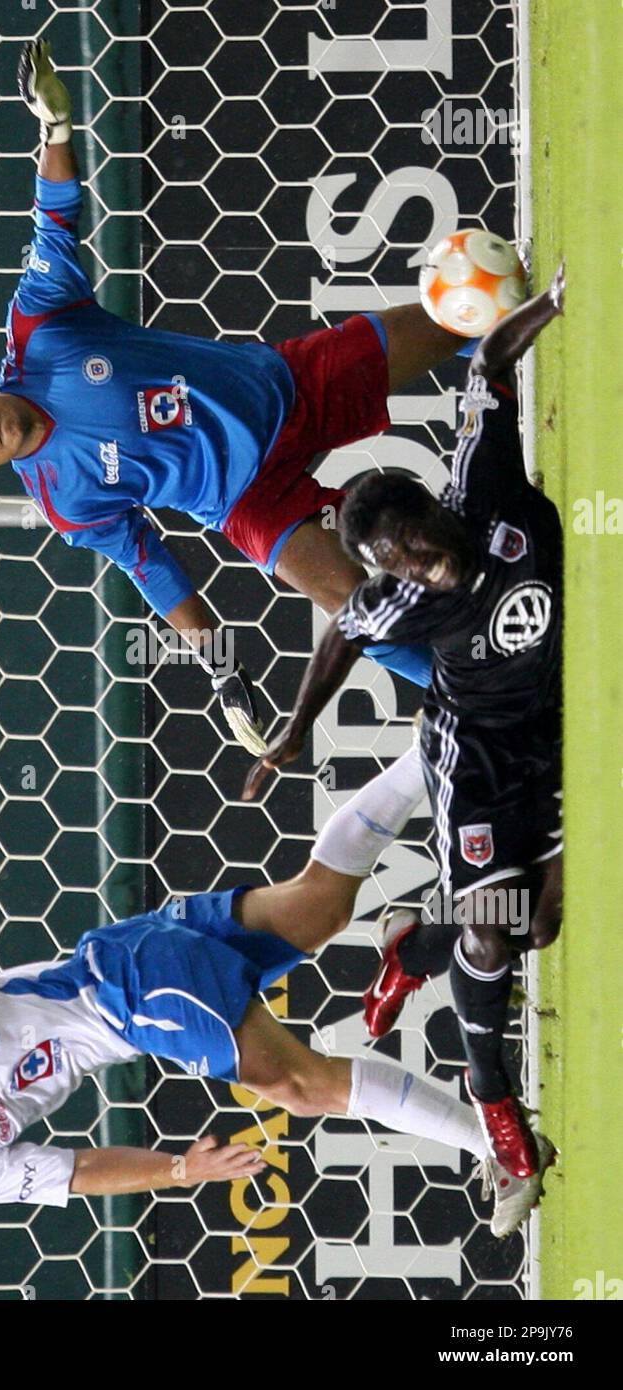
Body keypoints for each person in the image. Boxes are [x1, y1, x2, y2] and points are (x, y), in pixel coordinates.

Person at [0, 40, 482, 752]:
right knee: (349, 604)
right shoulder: (65, 501)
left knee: (454, 315)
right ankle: (482, 697)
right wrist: (214, 662)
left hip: (283, 386)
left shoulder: (39, 329)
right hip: (244, 499)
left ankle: (536, 320)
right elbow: (146, 562)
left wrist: (52, 129)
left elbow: (52, 219)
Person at [0, 747, 554, 1238]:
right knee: (320, 904)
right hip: (136, 962)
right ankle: (437, 748)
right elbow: (77, 1173)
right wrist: (180, 1171)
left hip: (123, 991)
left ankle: (500, 1148)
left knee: (299, 1084)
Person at [242, 269, 565, 1184]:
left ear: (428, 509)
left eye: (418, 546)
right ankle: (494, 1104)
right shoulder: (396, 603)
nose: (422, 569)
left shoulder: (482, 486)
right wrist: (297, 731)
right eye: (399, 567)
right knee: (508, 932)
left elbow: (491, 359)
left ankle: (411, 945)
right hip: (483, 760)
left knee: (524, 920)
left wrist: (549, 301)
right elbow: (341, 634)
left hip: (545, 721)